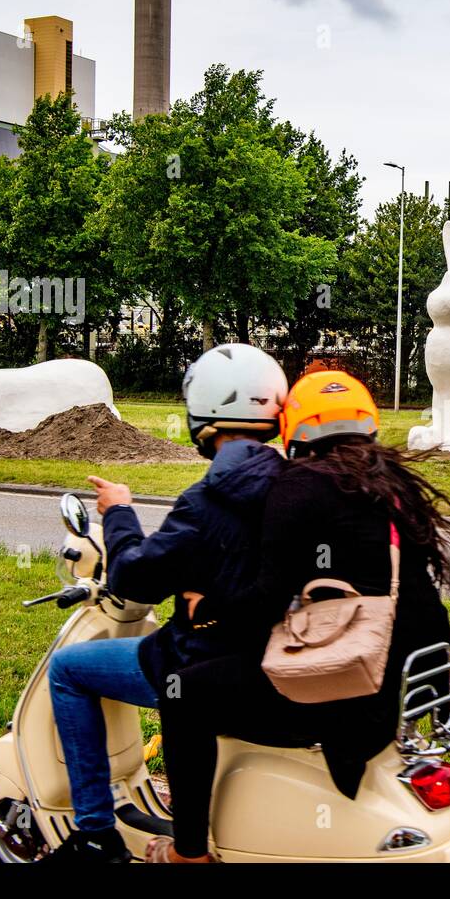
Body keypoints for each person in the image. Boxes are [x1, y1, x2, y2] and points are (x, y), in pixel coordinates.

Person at [150, 370, 450, 863]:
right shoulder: (393, 484)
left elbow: (266, 599)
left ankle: (187, 853)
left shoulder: (300, 485)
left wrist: (205, 609)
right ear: (368, 423)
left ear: (294, 428)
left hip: (346, 691)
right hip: (403, 684)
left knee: (182, 693)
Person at [44, 344, 288, 862]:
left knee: (68, 669)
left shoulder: (209, 497)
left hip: (203, 659)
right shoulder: (296, 485)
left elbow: (136, 579)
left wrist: (118, 512)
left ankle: (94, 834)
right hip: (271, 660)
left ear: (204, 410)